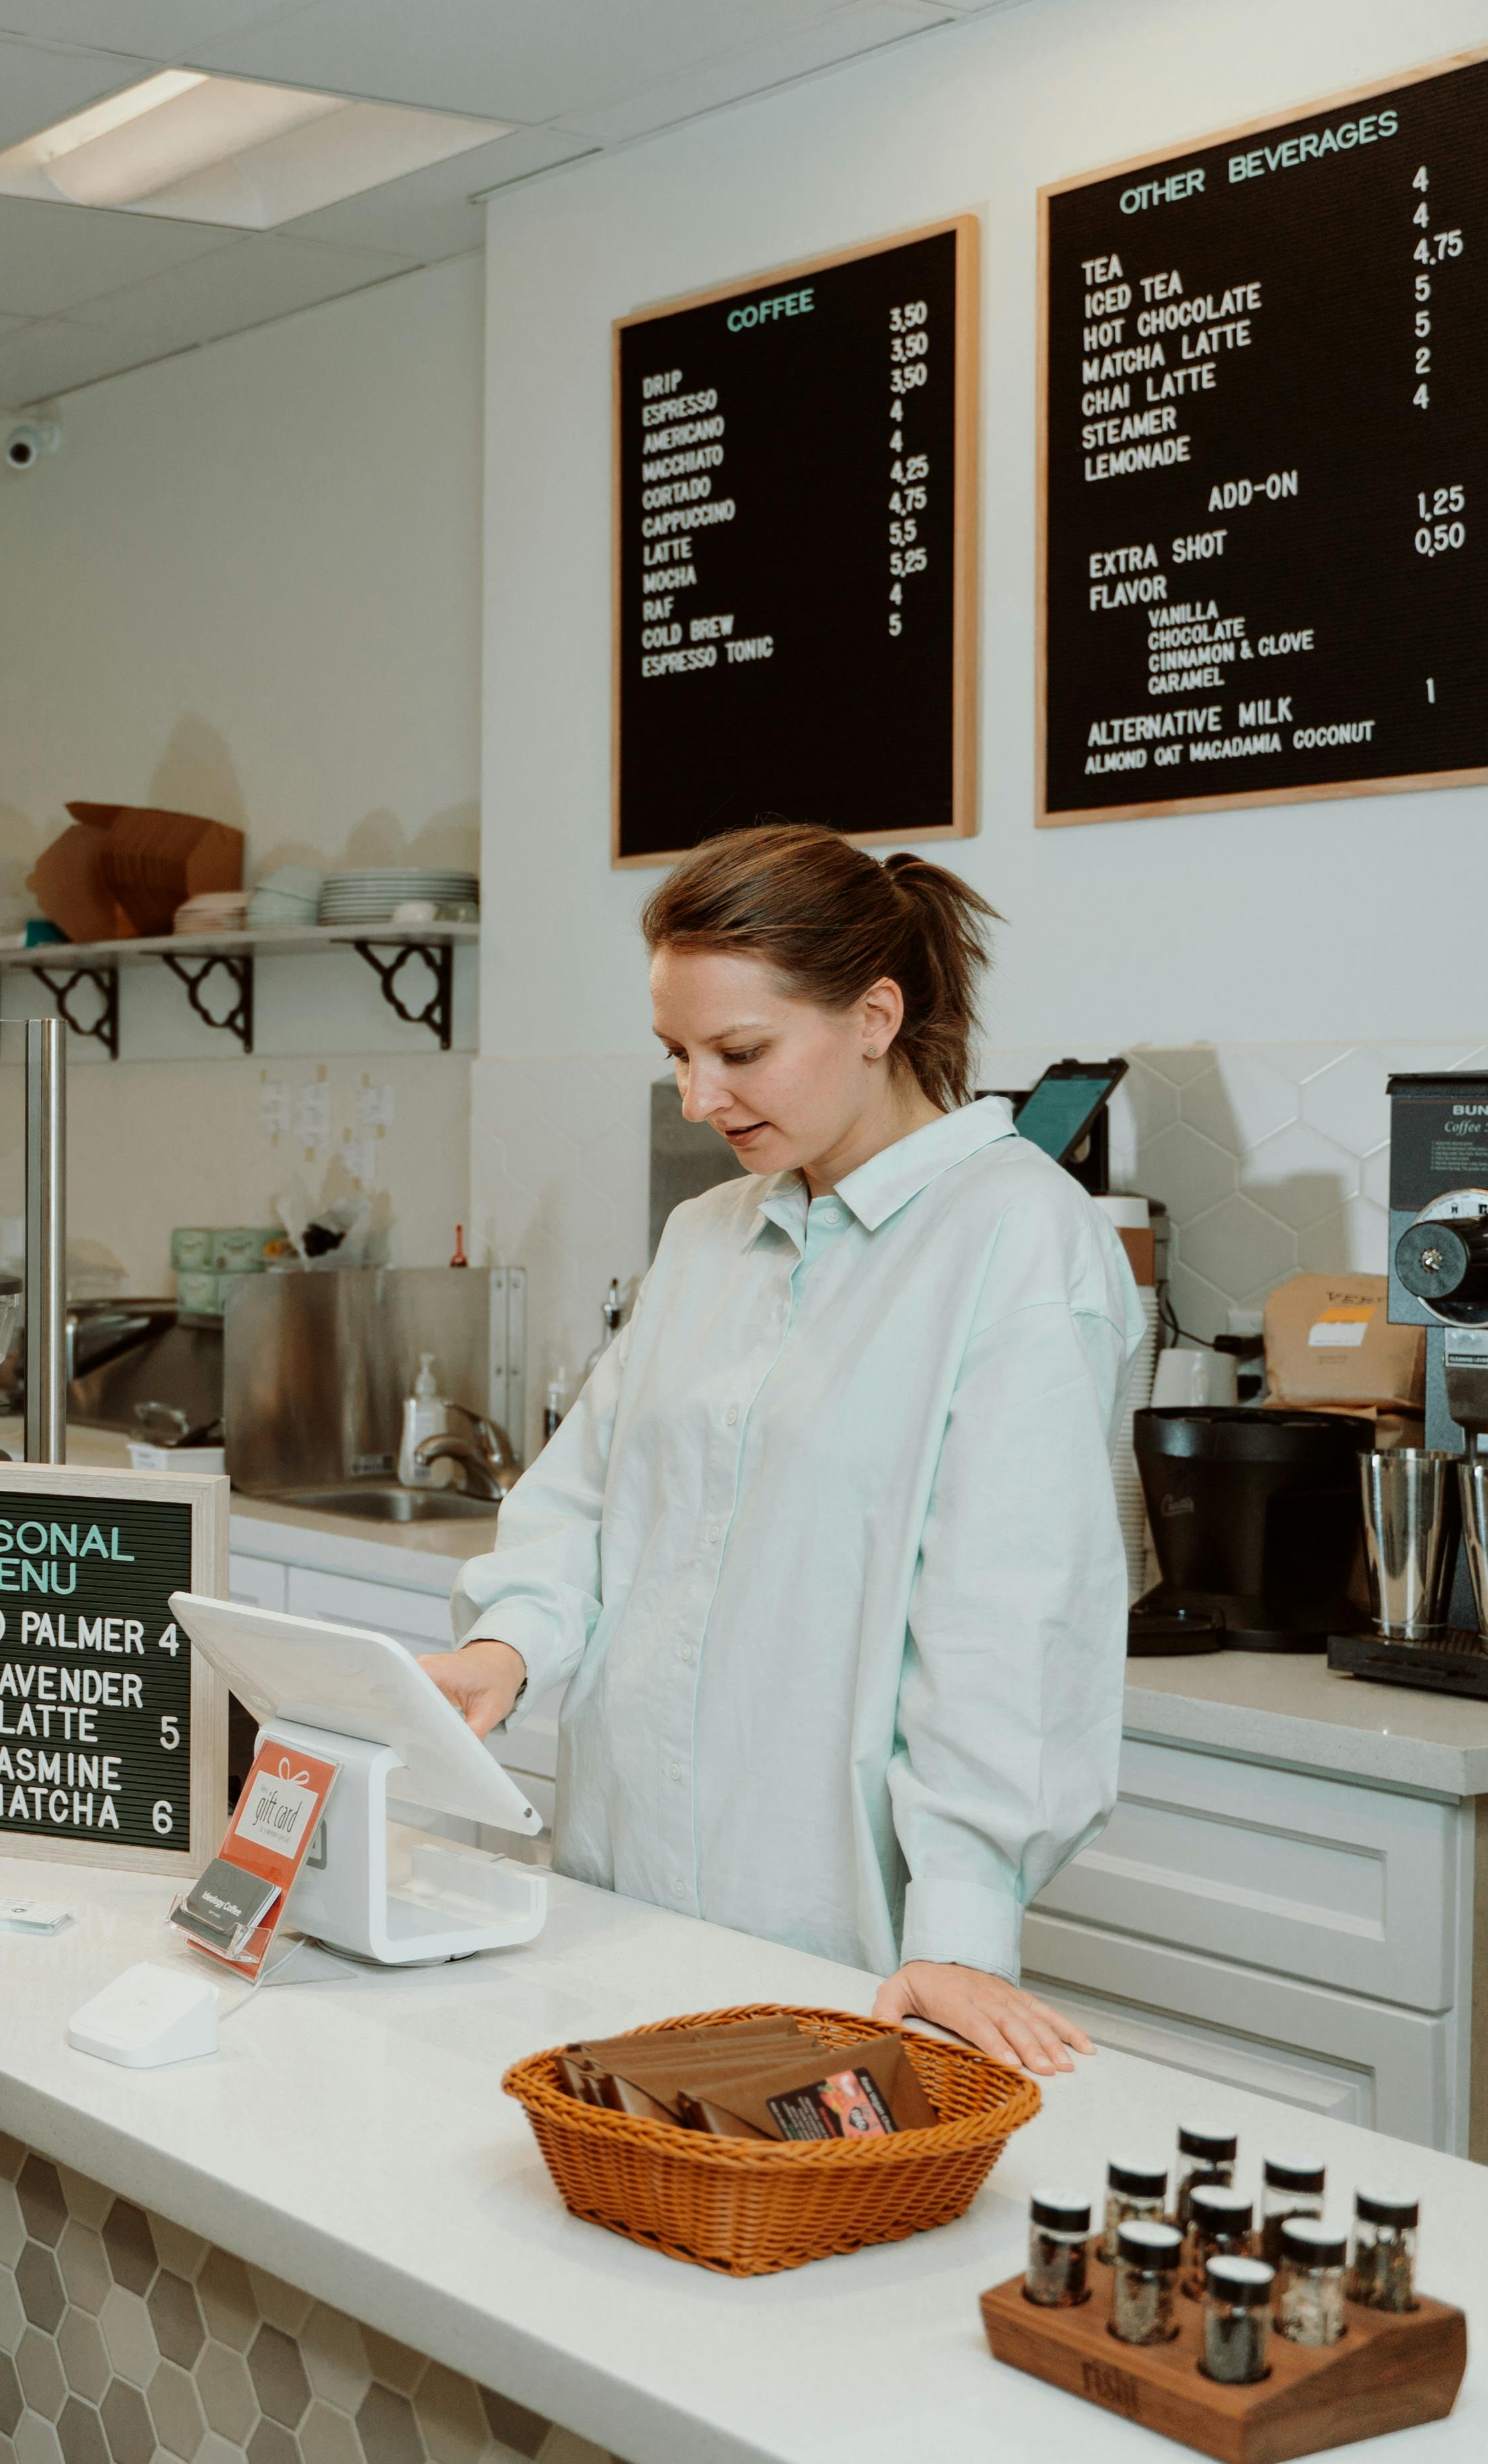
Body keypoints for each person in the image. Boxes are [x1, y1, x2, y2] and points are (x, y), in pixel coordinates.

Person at [420, 821, 1137, 2077]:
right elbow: (585, 1495)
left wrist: (964, 1926)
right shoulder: (709, 1233)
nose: (698, 1099)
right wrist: (505, 1643)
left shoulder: (1016, 1240)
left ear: (872, 1015)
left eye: (738, 1052)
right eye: (678, 1055)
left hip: (839, 1934)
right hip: (613, 1886)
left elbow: (1013, 1623)